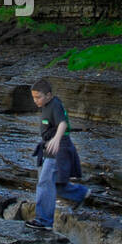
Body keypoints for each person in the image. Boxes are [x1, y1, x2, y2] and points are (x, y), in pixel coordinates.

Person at [27, 78, 91, 229]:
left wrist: (56, 138)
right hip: (50, 147)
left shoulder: (55, 104)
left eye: (38, 97)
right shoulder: (46, 105)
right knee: (56, 183)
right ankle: (81, 193)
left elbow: (62, 123)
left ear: (48, 95)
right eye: (34, 97)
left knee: (44, 183)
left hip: (58, 148)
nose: (35, 100)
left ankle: (44, 221)